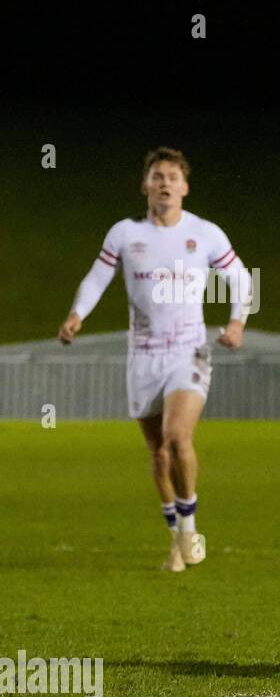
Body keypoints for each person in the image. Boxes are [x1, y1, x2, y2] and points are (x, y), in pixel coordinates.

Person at [57, 146, 252, 572]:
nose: (165, 183)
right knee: (159, 454)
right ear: (145, 185)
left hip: (190, 350)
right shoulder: (125, 234)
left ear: (185, 187)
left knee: (178, 438)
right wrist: (76, 315)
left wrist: (237, 322)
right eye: (157, 176)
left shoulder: (205, 234)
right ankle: (176, 537)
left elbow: (239, 277)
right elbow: (98, 277)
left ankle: (190, 527)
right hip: (143, 357)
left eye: (172, 177)